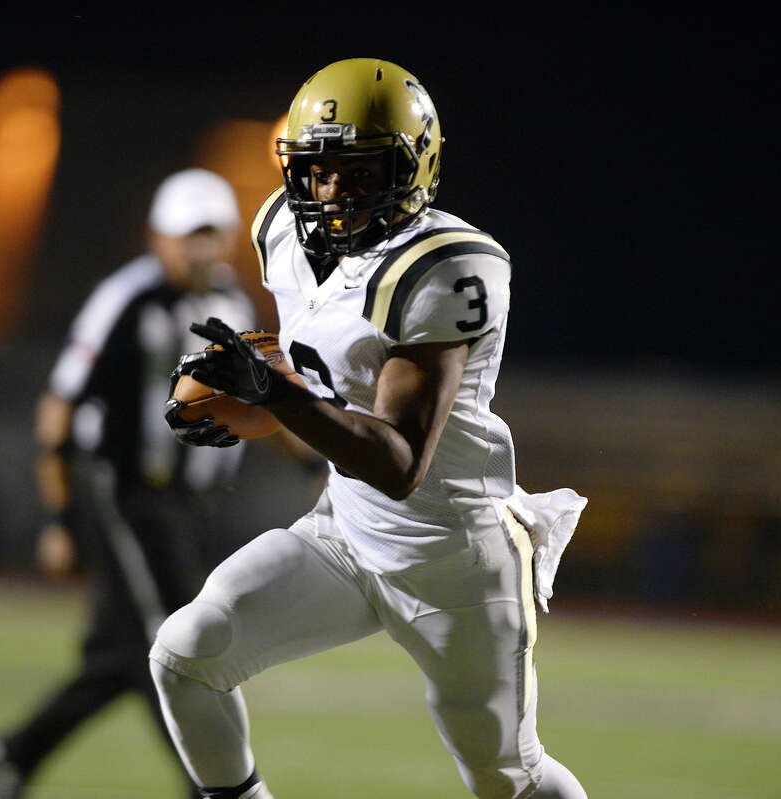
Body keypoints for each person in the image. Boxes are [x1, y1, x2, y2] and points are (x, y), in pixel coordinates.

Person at [149, 59, 589, 799]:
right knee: (185, 655)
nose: (328, 192)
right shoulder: (281, 233)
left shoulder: (447, 266)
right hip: (346, 536)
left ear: (412, 168)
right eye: (317, 170)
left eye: (356, 173)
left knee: (508, 777)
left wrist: (278, 397)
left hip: (453, 555)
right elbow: (321, 384)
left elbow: (399, 459)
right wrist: (251, 403)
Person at [0, 168, 257, 799]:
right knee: (181, 639)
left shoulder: (234, 306)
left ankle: (15, 753)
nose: (201, 249)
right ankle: (209, 784)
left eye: (212, 235)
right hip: (129, 495)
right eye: (190, 235)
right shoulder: (126, 298)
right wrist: (60, 517)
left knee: (122, 651)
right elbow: (59, 407)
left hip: (192, 503)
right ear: (159, 236)